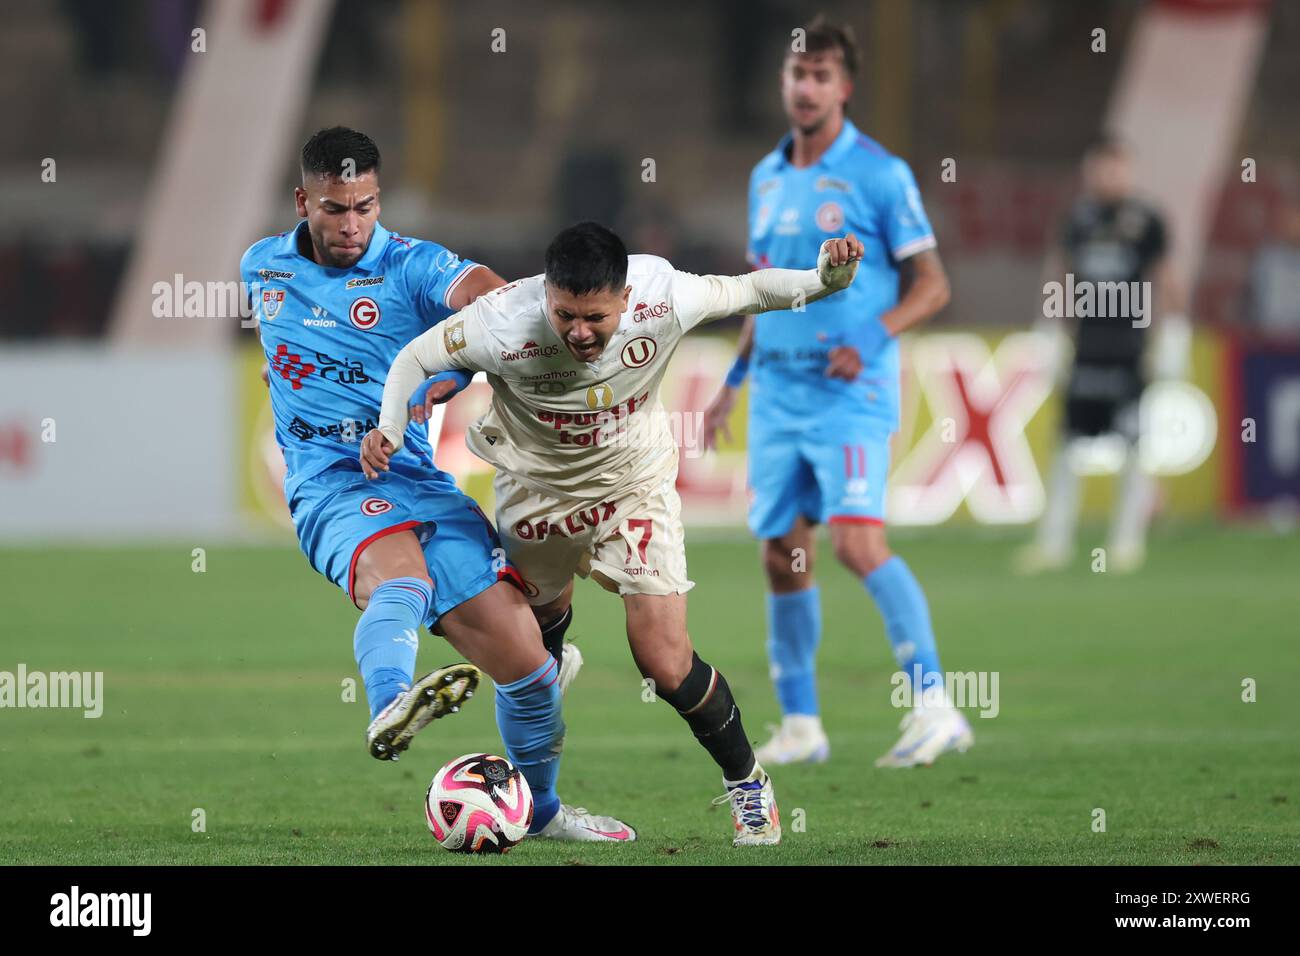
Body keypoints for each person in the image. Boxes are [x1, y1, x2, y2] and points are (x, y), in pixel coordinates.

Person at [362, 221, 864, 845]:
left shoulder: (665, 293)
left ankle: (748, 783)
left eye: (595, 317)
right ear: (546, 294)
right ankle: (539, 792)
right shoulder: (502, 320)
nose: (578, 331)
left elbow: (751, 290)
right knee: (532, 652)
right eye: (565, 314)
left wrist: (823, 281)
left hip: (632, 488)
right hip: (535, 499)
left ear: (626, 299)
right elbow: (415, 357)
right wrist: (387, 426)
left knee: (664, 660)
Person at [242, 127, 632, 842]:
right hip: (331, 485)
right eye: (334, 208)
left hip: (418, 477)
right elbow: (283, 351)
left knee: (533, 673)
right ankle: (391, 703)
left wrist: (452, 374)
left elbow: (500, 304)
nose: (352, 223)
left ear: (378, 198)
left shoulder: (413, 267)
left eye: (364, 206)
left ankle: (540, 814)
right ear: (304, 201)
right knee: (403, 575)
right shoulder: (261, 268)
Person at [699, 16, 968, 769]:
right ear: (782, 84)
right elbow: (763, 291)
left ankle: (936, 706)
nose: (806, 88)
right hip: (778, 393)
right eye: (796, 74)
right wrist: (731, 383)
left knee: (856, 543)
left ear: (844, 87)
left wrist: (874, 336)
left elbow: (934, 285)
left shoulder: (881, 174)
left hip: (850, 393)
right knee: (783, 552)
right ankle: (803, 726)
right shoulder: (766, 177)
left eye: (821, 76)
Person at [1019, 136, 1185, 574]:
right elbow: (1061, 275)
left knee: (1131, 445)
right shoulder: (1077, 218)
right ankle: (1054, 542)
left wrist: (1174, 335)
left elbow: (1166, 278)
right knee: (1067, 443)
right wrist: (1051, 332)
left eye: (1115, 167)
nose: (1106, 176)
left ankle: (1127, 542)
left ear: (1128, 170)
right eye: (1099, 167)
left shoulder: (1147, 220)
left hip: (1129, 346)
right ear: (1088, 170)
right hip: (1086, 347)